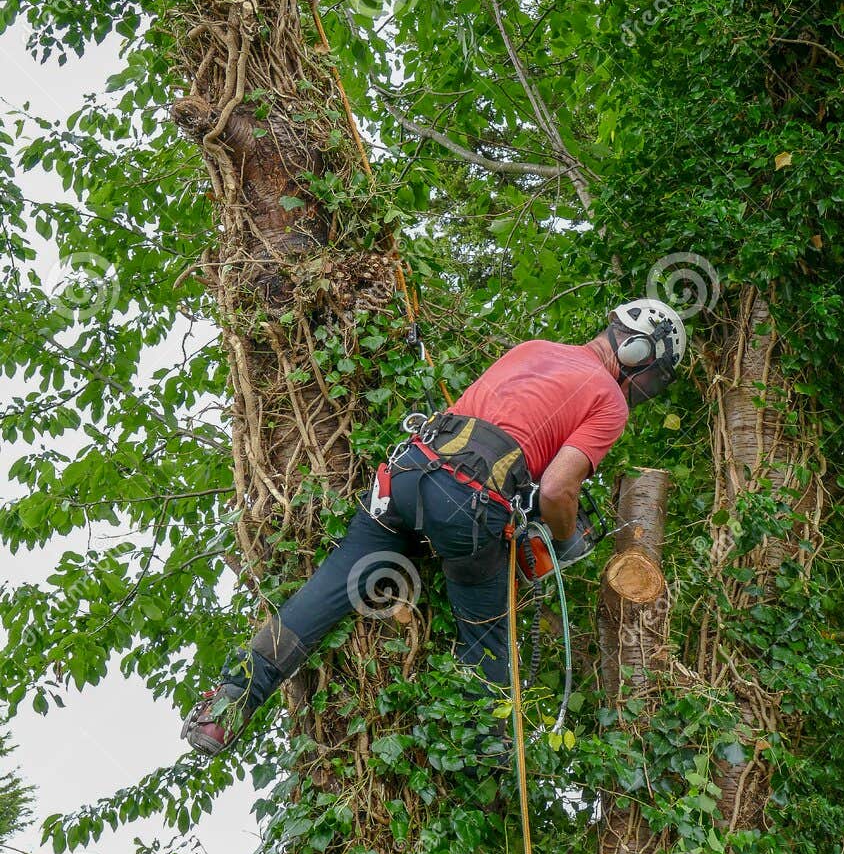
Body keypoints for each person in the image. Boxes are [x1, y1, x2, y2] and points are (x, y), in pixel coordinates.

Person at [182, 298, 687, 756]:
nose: (646, 388)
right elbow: (557, 491)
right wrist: (562, 536)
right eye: (653, 376)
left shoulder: (535, 348)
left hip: (405, 476)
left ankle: (228, 705)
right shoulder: (609, 400)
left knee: (328, 590)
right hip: (467, 505)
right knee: (487, 639)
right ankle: (487, 758)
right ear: (640, 351)